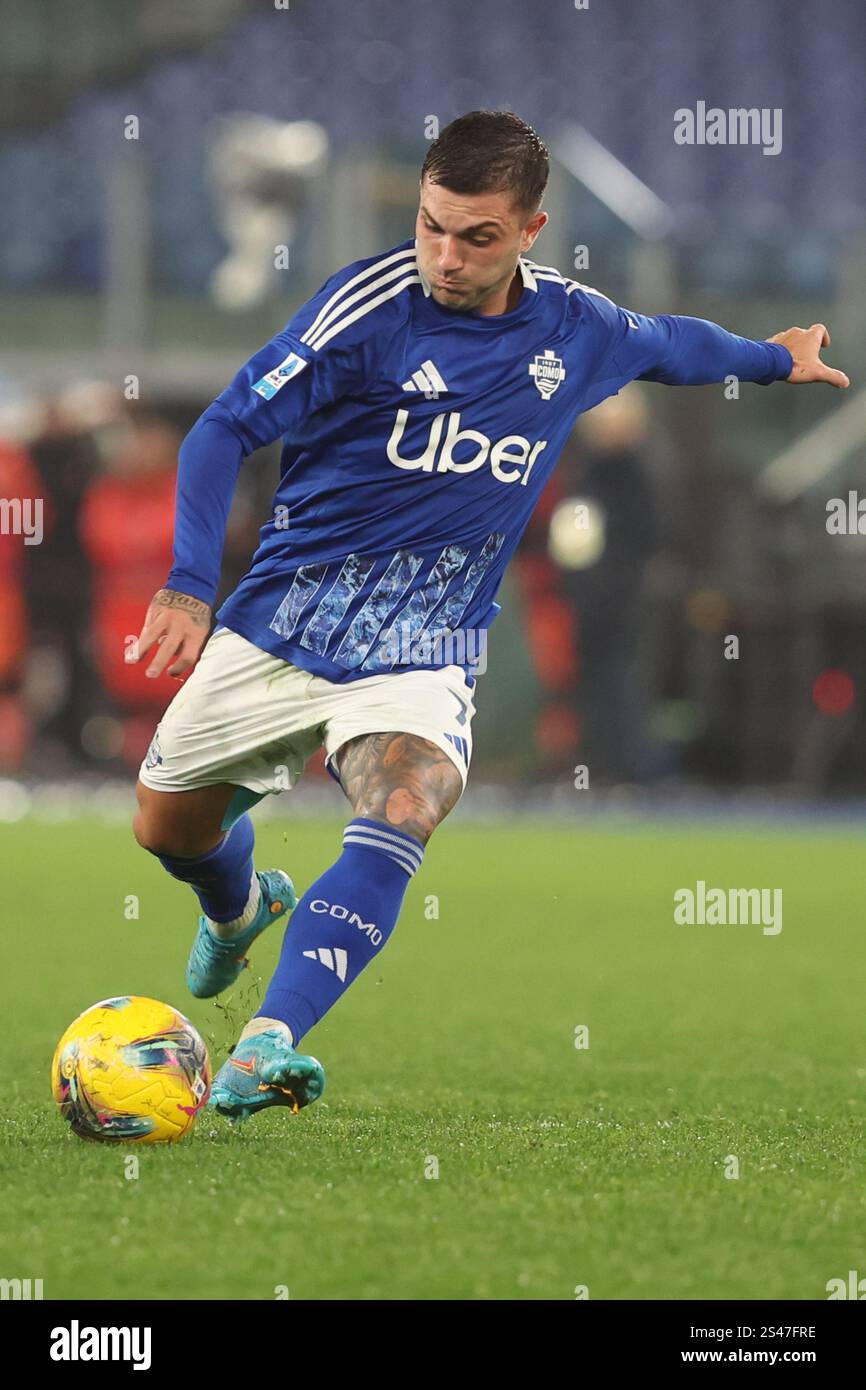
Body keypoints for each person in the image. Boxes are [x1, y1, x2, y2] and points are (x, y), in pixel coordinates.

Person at [129, 109, 849, 1125]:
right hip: (281, 626)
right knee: (166, 827)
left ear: (529, 232)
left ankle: (268, 1040)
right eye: (430, 225)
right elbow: (222, 430)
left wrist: (770, 359)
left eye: (475, 237)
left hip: (420, 649)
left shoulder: (572, 326)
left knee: (405, 804)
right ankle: (241, 904)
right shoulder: (366, 310)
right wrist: (188, 580)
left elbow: (669, 345)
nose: (444, 256)